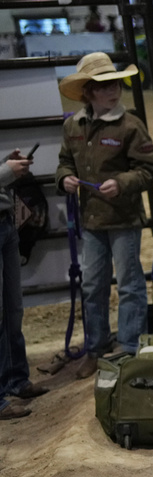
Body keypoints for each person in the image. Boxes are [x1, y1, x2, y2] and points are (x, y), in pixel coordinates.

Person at [56, 53, 153, 379]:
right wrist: (64, 179)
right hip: (92, 220)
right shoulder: (73, 126)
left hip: (123, 218)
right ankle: (96, 348)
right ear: (89, 92)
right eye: (104, 86)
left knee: (130, 284)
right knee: (93, 285)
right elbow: (64, 163)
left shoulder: (130, 124)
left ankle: (129, 348)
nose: (113, 90)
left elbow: (150, 168)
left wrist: (123, 182)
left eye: (115, 83)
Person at [1, 149, 49, 420]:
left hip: (5, 223)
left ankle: (15, 380)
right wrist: (7, 171)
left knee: (12, 308)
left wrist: (7, 162)